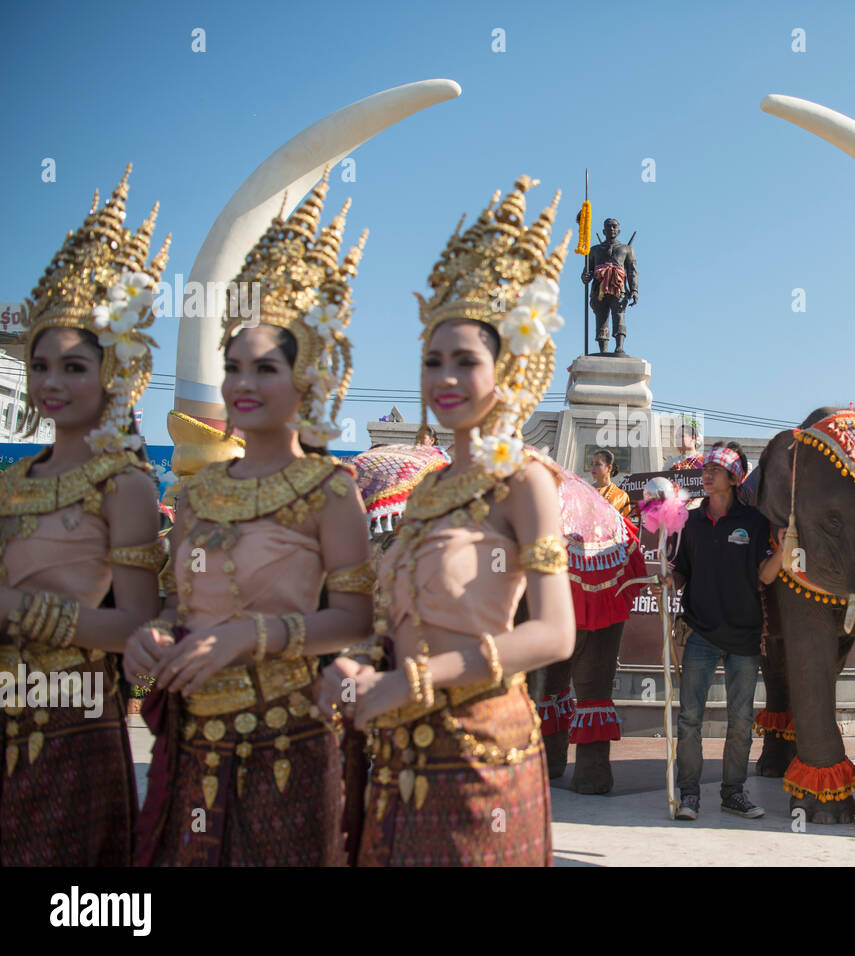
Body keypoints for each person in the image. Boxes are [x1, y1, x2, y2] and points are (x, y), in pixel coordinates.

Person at [317, 175, 576, 866]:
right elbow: (393, 617)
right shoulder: (426, 487)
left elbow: (555, 633)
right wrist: (359, 663)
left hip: (480, 757)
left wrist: (417, 681)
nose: (446, 378)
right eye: (433, 360)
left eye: (467, 361)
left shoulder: (523, 482)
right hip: (397, 756)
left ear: (508, 369)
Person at [126, 173, 373, 865]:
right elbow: (179, 605)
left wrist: (251, 636)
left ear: (306, 378)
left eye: (264, 368)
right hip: (195, 737)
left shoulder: (328, 489)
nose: (241, 383)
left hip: (288, 739)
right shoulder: (199, 493)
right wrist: (148, 636)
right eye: (233, 366)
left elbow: (356, 621)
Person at [0, 167, 167, 864]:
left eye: (73, 367)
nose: (50, 383)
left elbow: (137, 625)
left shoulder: (122, 485)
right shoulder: (11, 481)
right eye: (41, 366)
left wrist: (19, 610)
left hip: (74, 718)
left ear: (112, 375)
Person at [669, 442, 783, 821]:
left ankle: (733, 792)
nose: (707, 475)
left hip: (745, 635)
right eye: (706, 469)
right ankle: (688, 794)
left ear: (734, 478)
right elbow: (681, 570)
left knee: (741, 721)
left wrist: (784, 551)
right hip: (700, 630)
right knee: (689, 718)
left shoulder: (753, 521)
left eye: (715, 470)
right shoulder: (690, 522)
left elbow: (763, 577)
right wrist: (667, 578)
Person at [581, 217, 637, 355]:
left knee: (618, 315)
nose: (611, 229)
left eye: (614, 226)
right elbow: (586, 272)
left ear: (618, 231)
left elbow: (632, 271)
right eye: (608, 227)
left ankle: (619, 347)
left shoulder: (627, 249)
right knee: (601, 317)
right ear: (603, 231)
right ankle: (603, 349)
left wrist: (634, 290)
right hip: (599, 288)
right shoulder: (594, 250)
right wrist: (585, 277)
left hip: (619, 288)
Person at [590, 448, 630, 517]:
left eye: (597, 464)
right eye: (592, 464)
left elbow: (626, 523)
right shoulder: (585, 490)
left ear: (609, 468)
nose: (593, 468)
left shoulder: (621, 496)